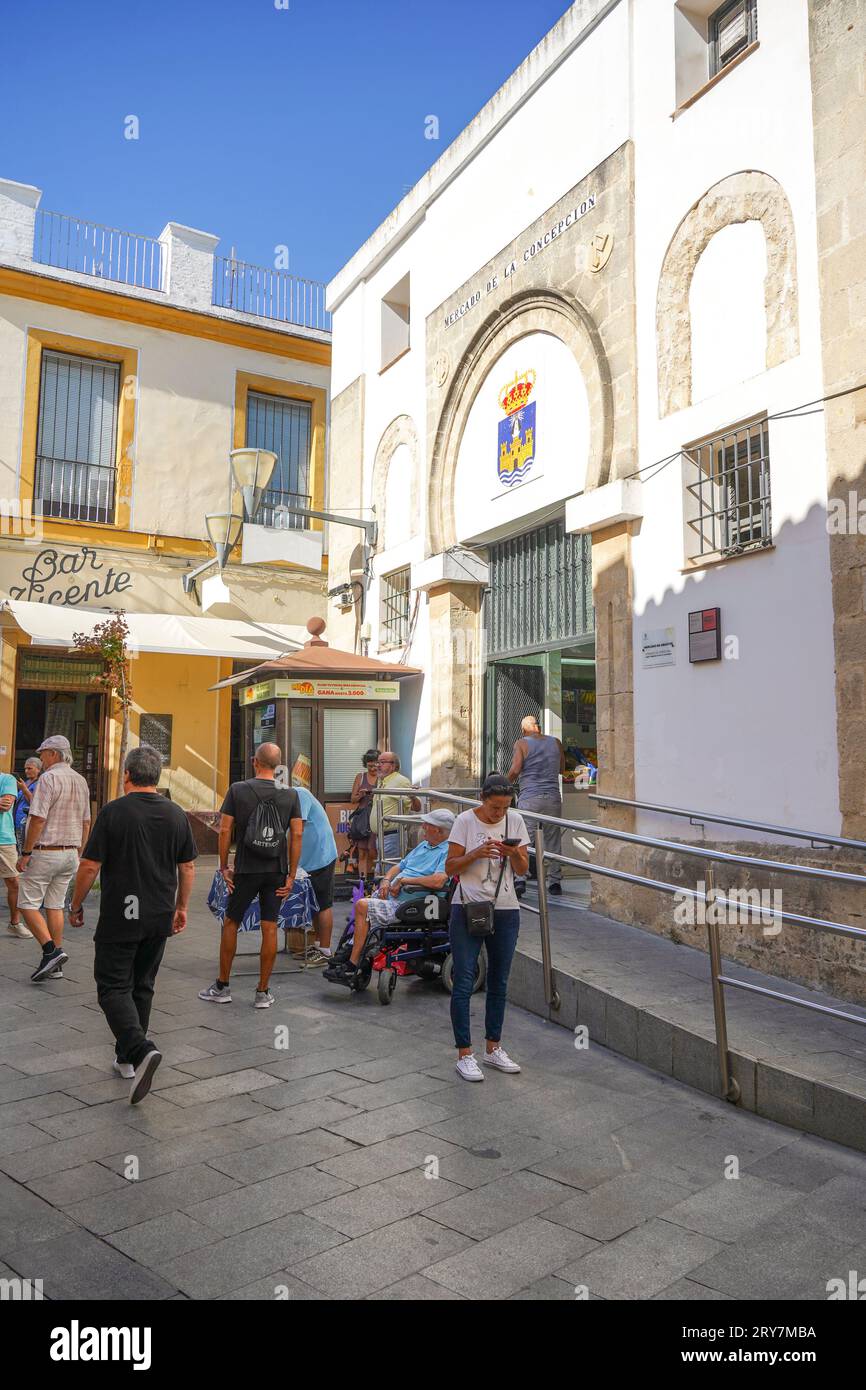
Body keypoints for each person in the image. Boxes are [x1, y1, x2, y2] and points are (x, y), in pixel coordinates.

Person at [69, 746, 197, 1106]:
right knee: (142, 985)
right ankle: (126, 1058)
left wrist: (75, 904)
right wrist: (182, 907)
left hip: (121, 914)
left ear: (127, 774)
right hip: (158, 913)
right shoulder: (176, 814)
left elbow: (90, 865)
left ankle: (140, 1051)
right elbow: (187, 867)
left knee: (111, 986)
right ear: (157, 776)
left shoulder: (113, 812)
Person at [199, 742, 303, 1009]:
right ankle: (262, 992)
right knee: (270, 926)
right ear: (279, 765)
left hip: (246, 868)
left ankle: (222, 986)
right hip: (276, 870)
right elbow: (297, 835)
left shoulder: (239, 790)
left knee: (232, 922)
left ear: (255, 762)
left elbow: (224, 830)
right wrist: (291, 875)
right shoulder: (290, 794)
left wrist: (224, 867)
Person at [445, 774, 530, 1082]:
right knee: (464, 979)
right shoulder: (465, 822)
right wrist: (476, 853)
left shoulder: (515, 822)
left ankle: (493, 1047)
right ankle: (464, 1053)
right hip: (467, 906)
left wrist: (515, 853)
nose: (499, 813)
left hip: (506, 908)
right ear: (482, 798)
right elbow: (450, 867)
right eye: (495, 807)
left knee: (500, 980)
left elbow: (523, 870)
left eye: (505, 807)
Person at [331, 808, 455, 983]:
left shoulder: (447, 851)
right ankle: (351, 951)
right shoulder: (424, 845)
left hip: (414, 901)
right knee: (363, 912)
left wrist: (405, 881)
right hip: (394, 894)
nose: (424, 826)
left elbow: (438, 881)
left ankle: (353, 963)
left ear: (439, 830)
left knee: (362, 907)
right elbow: (401, 865)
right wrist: (387, 879)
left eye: (428, 824)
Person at [17, 734, 91, 983]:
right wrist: (79, 852)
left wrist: (26, 853)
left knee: (26, 904)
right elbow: (86, 821)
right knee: (55, 905)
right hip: (70, 852)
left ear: (55, 754)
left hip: (45, 851)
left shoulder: (48, 778)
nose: (41, 758)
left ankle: (51, 951)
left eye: (44, 754)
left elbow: (38, 818)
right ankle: (56, 965)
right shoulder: (81, 780)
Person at [508, 715, 565, 896]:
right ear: (538, 728)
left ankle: (520, 880)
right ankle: (555, 882)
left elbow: (516, 769)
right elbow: (562, 769)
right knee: (553, 840)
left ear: (524, 730)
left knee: (525, 839)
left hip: (530, 798)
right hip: (553, 798)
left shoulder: (521, 743)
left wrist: (504, 782)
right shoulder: (556, 742)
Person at [291, 785, 338, 965]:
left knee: (323, 903)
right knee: (314, 904)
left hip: (321, 855)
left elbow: (298, 829)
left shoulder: (299, 794)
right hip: (308, 858)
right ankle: (317, 945)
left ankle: (325, 950)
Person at [368, 752, 420, 864]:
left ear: (393, 766)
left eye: (382, 762)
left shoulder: (400, 781)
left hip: (393, 836)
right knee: (383, 873)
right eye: (378, 762)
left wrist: (413, 796)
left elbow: (416, 807)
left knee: (387, 875)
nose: (378, 765)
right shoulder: (382, 780)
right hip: (382, 836)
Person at [0, 766, 25, 938]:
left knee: (14, 883)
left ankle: (15, 923)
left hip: (4, 839)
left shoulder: (7, 779)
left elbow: (6, 805)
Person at [348, 750, 379, 880]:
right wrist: (361, 794)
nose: (372, 768)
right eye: (369, 766)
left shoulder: (383, 778)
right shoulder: (360, 777)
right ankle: (363, 883)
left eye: (375, 765)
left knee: (375, 852)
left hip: (377, 818)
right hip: (362, 820)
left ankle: (377, 882)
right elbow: (352, 799)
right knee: (362, 853)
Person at [14, 757, 41, 854]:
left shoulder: (40, 784)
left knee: (23, 852)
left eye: (30, 768)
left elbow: (35, 803)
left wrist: (25, 789)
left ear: (38, 769)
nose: (26, 771)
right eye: (25, 768)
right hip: (17, 822)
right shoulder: (25, 782)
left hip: (26, 823)